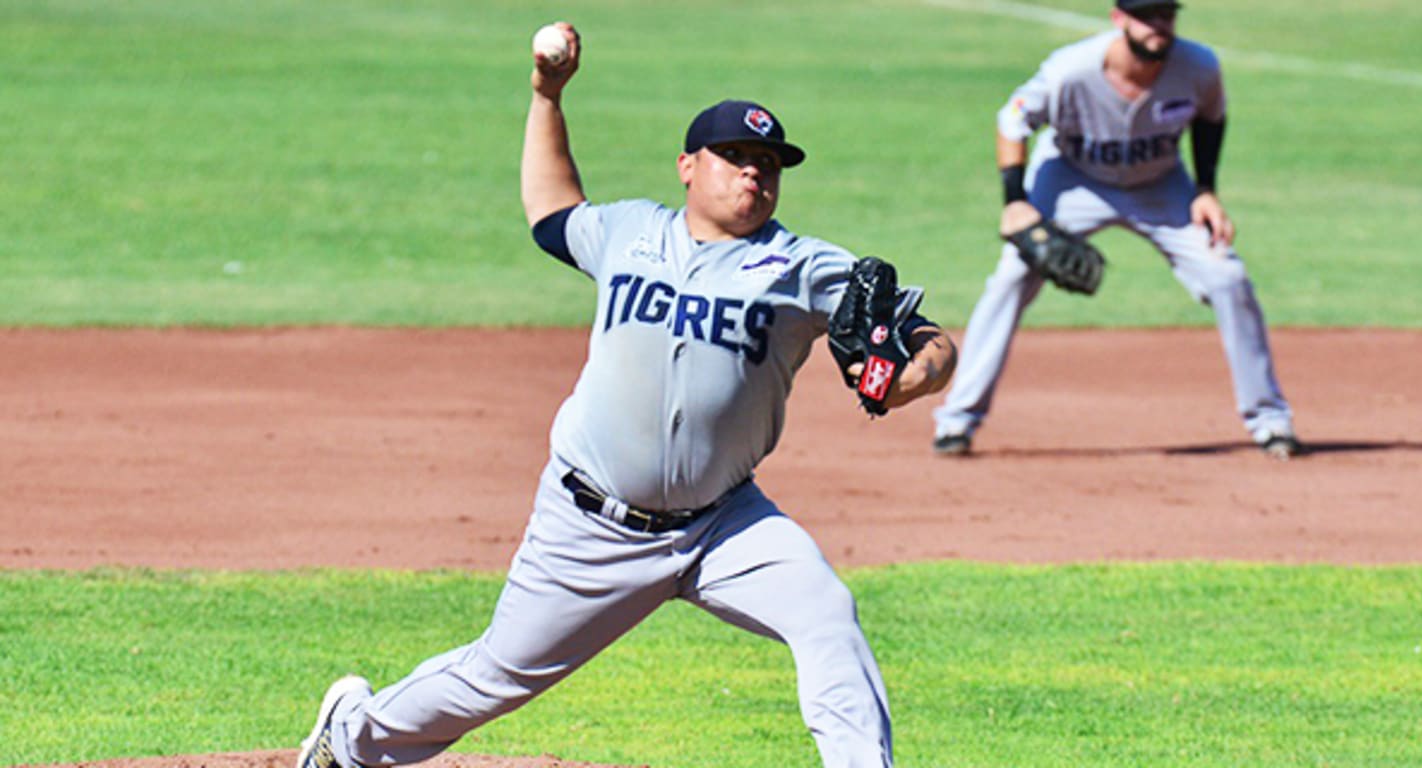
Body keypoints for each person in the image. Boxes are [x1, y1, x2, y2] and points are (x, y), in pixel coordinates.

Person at [294, 21, 956, 768]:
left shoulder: (806, 266)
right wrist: (548, 95)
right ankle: (350, 737)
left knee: (826, 613)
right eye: (736, 156)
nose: (754, 174)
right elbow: (550, 211)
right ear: (687, 166)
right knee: (494, 678)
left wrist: (910, 379)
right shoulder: (629, 232)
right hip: (591, 525)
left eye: (768, 163)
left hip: (723, 525)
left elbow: (932, 343)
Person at [931, 0, 1299, 460]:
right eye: (1148, 15)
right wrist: (1015, 203)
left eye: (1167, 14)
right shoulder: (1072, 69)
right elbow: (1013, 119)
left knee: (1228, 277)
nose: (1159, 25)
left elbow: (1210, 118)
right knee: (1011, 276)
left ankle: (1270, 421)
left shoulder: (1199, 66)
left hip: (1160, 185)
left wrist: (1206, 189)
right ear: (1119, 19)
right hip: (1070, 178)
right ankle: (957, 421)